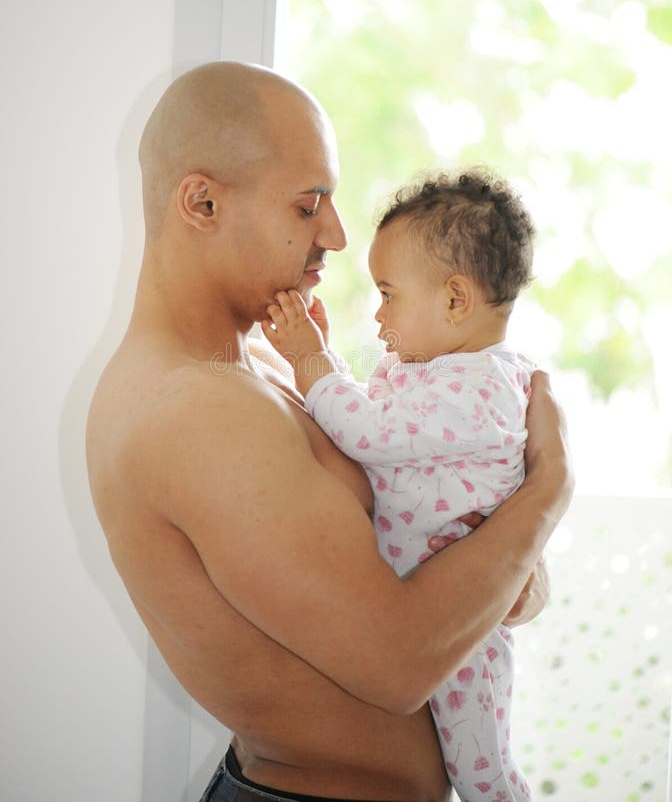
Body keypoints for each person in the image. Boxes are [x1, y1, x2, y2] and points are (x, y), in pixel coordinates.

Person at [86, 61, 573, 802]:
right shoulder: (192, 410)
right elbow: (400, 664)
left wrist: (506, 568)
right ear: (203, 202)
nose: (337, 235)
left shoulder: (260, 367)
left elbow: (454, 575)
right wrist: (547, 494)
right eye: (308, 204)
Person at [261, 170, 538, 801]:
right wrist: (326, 360)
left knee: (482, 773)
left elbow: (372, 436)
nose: (379, 315)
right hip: (421, 608)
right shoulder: (428, 371)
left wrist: (312, 363)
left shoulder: (484, 386)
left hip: (464, 635)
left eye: (388, 295)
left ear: (455, 300)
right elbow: (376, 430)